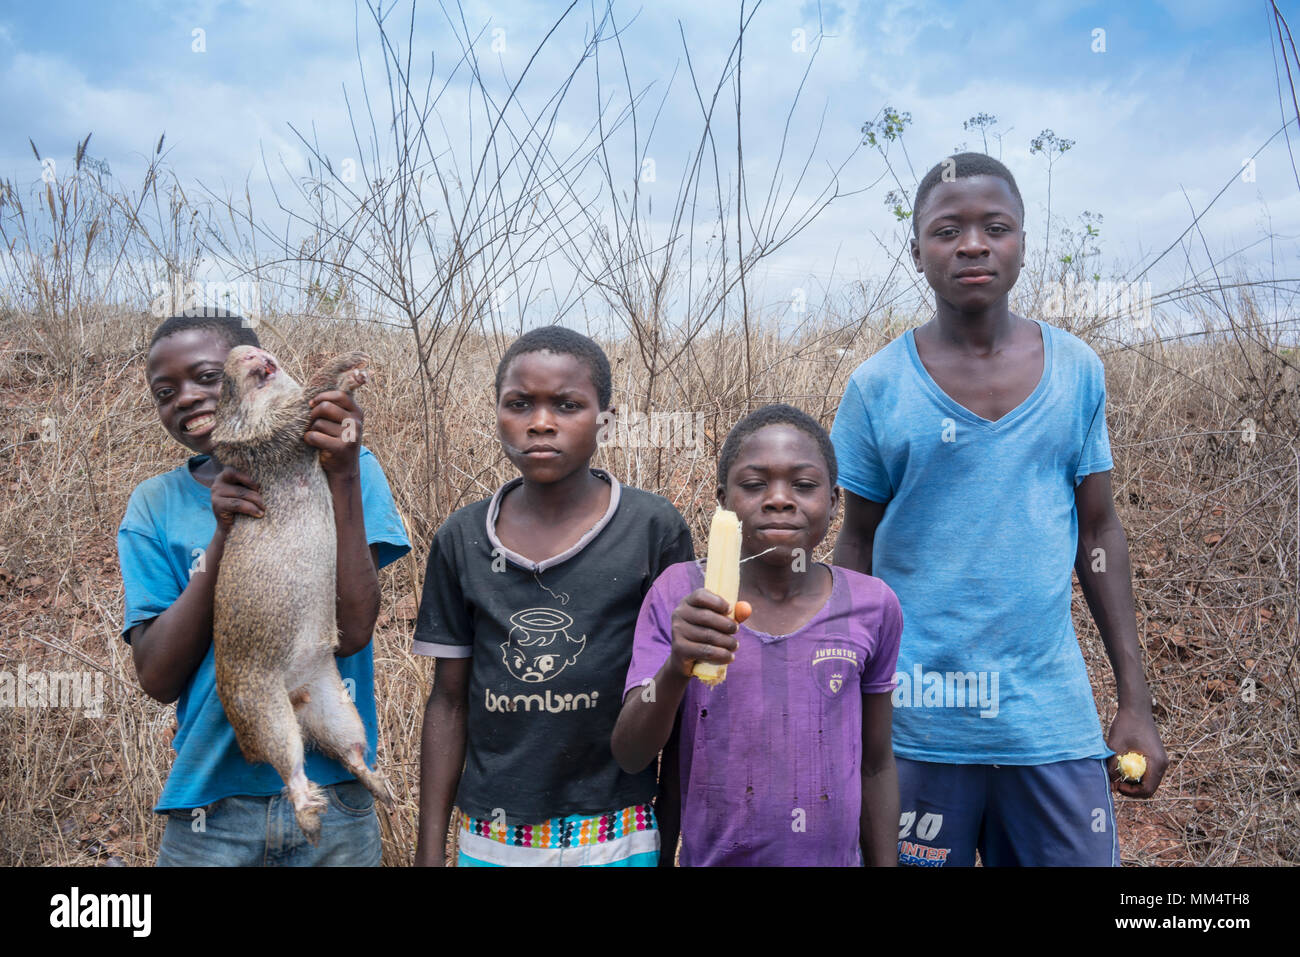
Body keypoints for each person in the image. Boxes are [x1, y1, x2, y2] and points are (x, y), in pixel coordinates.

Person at [830, 153, 1168, 867]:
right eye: (948, 229)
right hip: (914, 726)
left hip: (1047, 721)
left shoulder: (1077, 369)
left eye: (996, 226)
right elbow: (853, 548)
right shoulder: (878, 387)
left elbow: (1099, 528)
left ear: (1022, 243)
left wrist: (1135, 699)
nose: (974, 244)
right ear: (915, 248)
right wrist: (843, 705)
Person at [116, 310, 410, 866]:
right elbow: (157, 676)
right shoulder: (152, 506)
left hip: (334, 799)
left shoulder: (349, 463)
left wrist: (342, 475)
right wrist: (222, 536)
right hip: (208, 808)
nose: (186, 397)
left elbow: (351, 631)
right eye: (164, 391)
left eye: (208, 376)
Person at [412, 326, 694, 867]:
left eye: (567, 405)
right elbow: (448, 701)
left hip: (619, 831)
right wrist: (429, 853)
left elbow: (676, 697)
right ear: (497, 414)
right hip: (494, 836)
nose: (541, 423)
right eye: (520, 404)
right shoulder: (462, 538)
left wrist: (670, 832)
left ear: (605, 421)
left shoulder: (651, 529)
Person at [612, 404, 902, 866]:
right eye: (754, 484)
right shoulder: (682, 595)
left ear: (835, 500)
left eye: (804, 485)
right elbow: (631, 752)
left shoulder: (871, 605)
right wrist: (676, 668)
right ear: (723, 501)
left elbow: (876, 762)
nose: (780, 499)